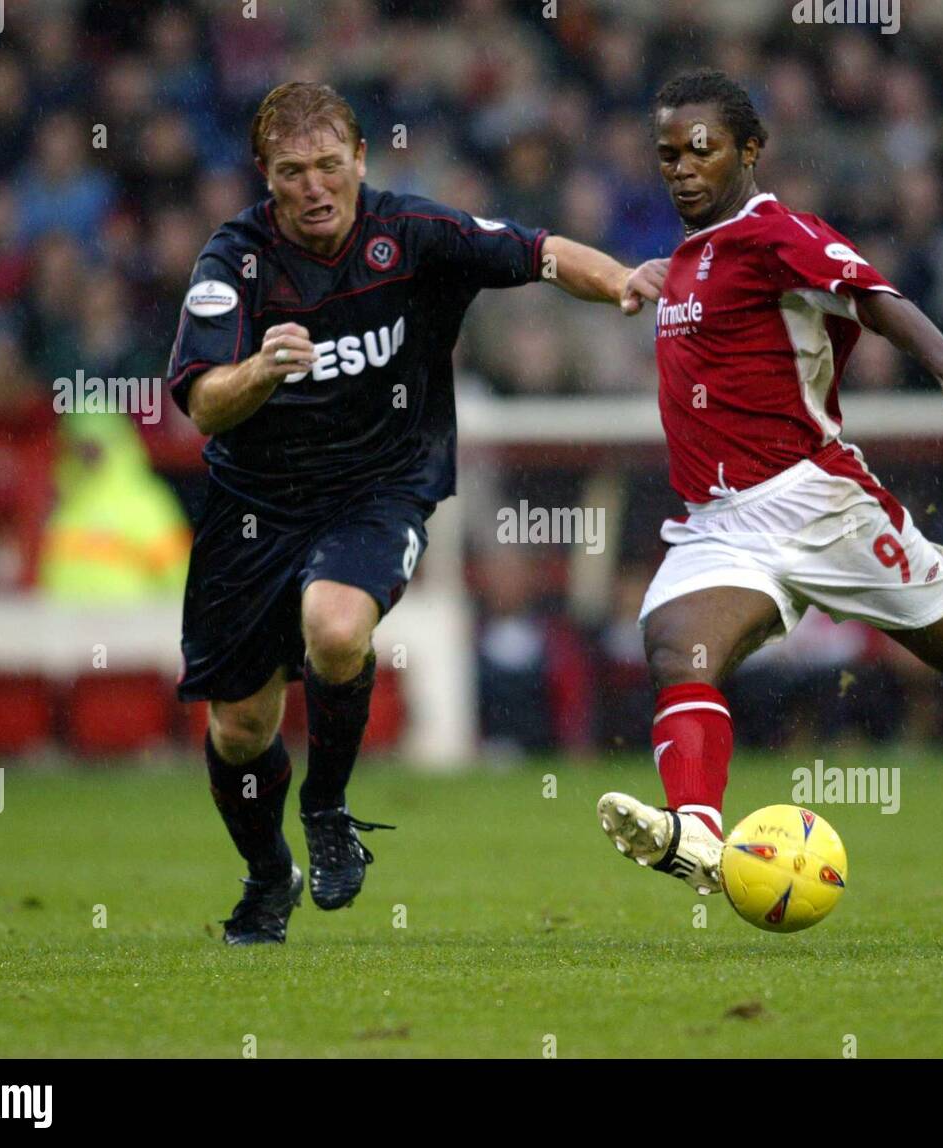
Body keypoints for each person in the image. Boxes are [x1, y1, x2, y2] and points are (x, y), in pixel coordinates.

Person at [167, 82, 663, 944]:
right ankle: (266, 873)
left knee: (334, 627)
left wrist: (620, 278)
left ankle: (326, 810)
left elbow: (540, 251)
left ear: (361, 161)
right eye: (294, 172)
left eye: (331, 165)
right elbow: (203, 405)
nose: (316, 187)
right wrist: (261, 370)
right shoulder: (234, 262)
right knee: (241, 728)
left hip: (378, 488)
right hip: (253, 507)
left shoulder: (417, 234)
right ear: (266, 177)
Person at [595, 70, 943, 896]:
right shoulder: (690, 259)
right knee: (677, 647)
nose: (683, 167)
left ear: (750, 151)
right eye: (667, 155)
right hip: (719, 522)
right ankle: (698, 834)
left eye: (702, 148)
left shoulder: (780, 234)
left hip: (819, 503)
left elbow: (873, 297)